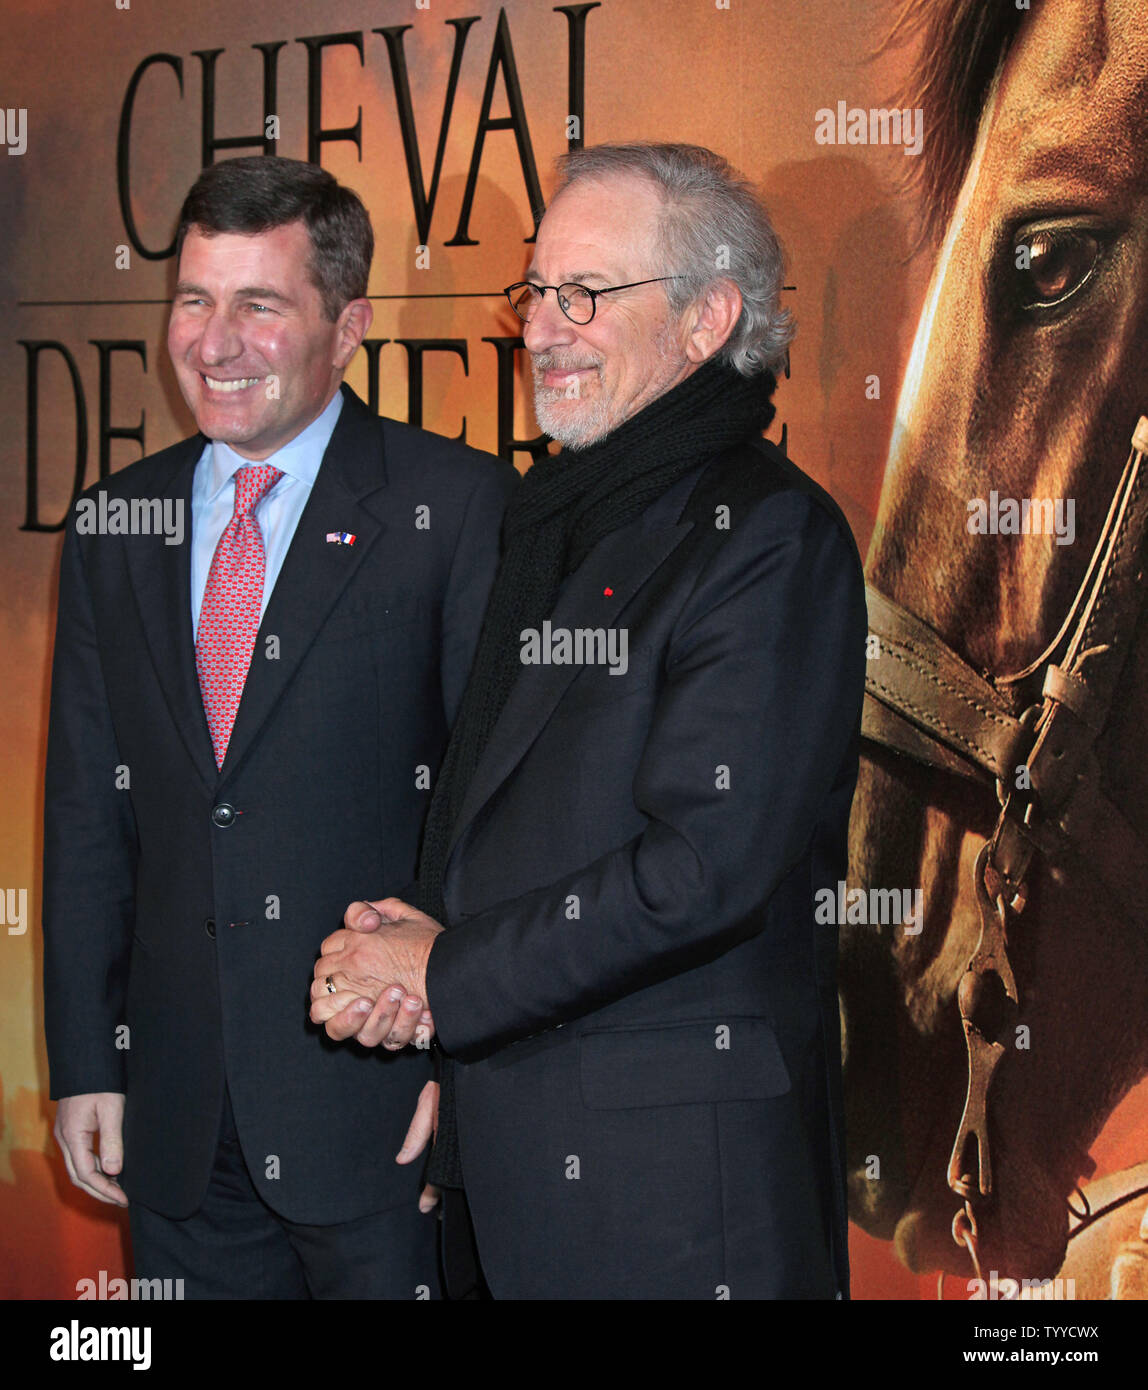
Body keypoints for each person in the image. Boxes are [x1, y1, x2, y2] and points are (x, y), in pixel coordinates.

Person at [311, 142, 867, 1299]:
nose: (541, 328)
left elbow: (703, 868)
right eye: (534, 293)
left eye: (586, 294)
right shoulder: (559, 522)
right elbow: (527, 814)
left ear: (707, 318)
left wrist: (447, 970)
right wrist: (425, 968)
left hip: (673, 1209)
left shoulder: (768, 536)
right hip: (507, 1175)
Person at [43, 155, 516, 1299]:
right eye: (194, 299)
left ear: (348, 324)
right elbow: (88, 815)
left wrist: (466, 1068)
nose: (214, 343)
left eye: (259, 304)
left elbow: (496, 813)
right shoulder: (116, 522)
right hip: (174, 1121)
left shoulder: (452, 509)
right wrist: (85, 1059)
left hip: (377, 1113)